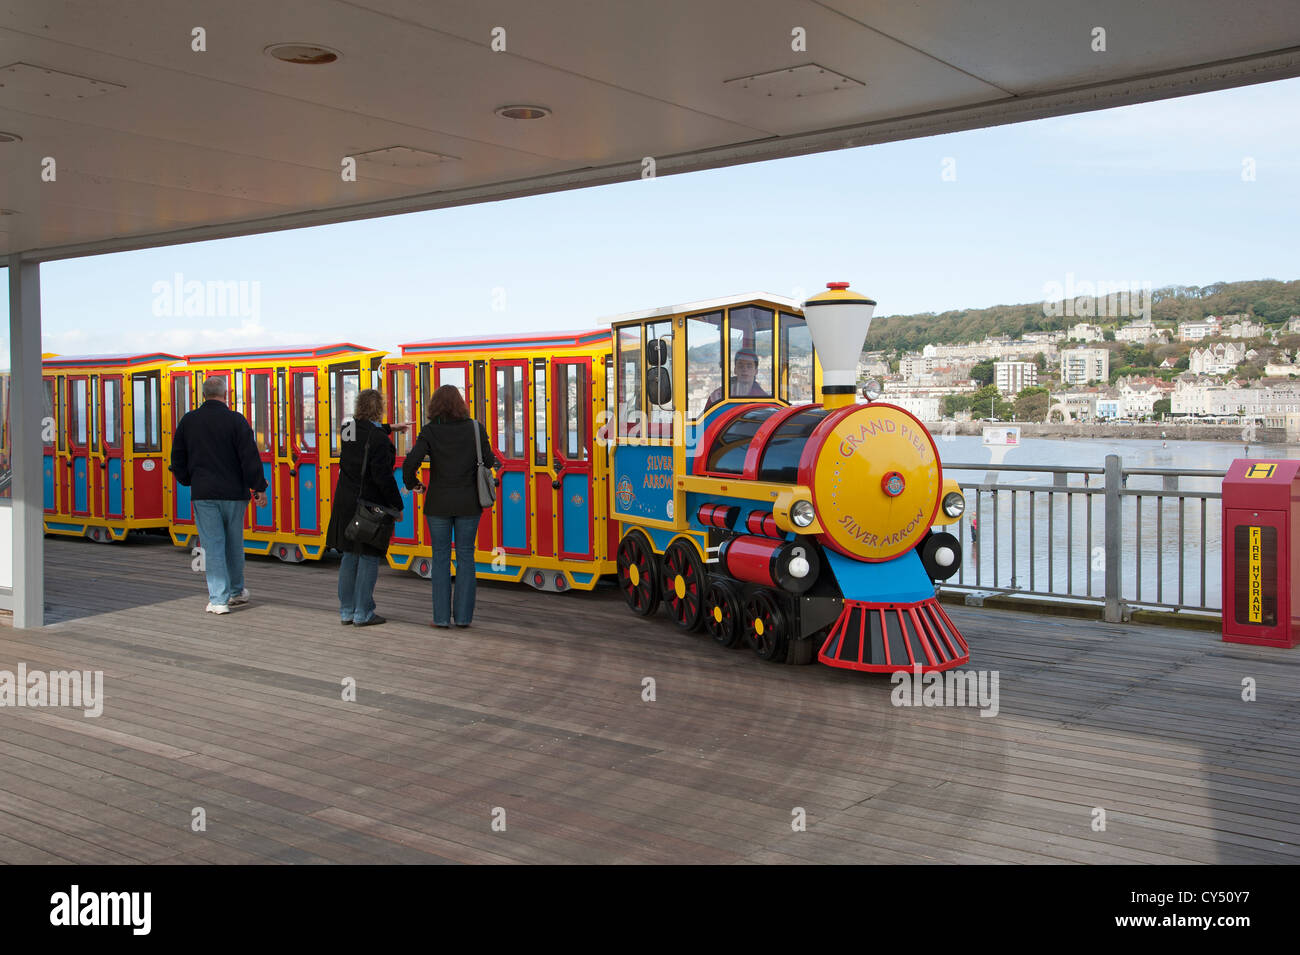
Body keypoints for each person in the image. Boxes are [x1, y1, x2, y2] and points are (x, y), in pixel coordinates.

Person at [403, 384, 500, 629]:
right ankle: (464, 618)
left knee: (440, 557)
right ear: (461, 404)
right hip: (469, 502)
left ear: (435, 406)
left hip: (438, 503)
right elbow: (489, 461)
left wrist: (413, 484)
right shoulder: (476, 429)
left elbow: (409, 463)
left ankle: (441, 618)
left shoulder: (430, 431)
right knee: (466, 556)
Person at [170, 376, 269, 615]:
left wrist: (187, 480)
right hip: (235, 494)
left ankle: (218, 600)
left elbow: (177, 457)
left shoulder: (189, 420)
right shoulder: (236, 420)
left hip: (203, 493)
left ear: (203, 395)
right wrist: (259, 488)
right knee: (234, 543)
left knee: (213, 546)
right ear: (227, 393)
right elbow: (249, 457)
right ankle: (236, 591)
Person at [325, 389, 405, 627]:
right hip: (369, 505)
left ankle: (346, 611)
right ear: (379, 408)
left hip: (345, 501)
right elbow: (383, 478)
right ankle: (363, 613)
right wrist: (397, 506)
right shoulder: (380, 440)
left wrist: (390, 427)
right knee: (369, 556)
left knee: (349, 556)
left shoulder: (347, 428)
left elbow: (363, 435)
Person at [706, 347, 770, 407]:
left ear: (756, 371)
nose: (744, 369)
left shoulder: (763, 397)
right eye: (740, 366)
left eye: (749, 366)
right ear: (735, 370)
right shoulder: (718, 396)